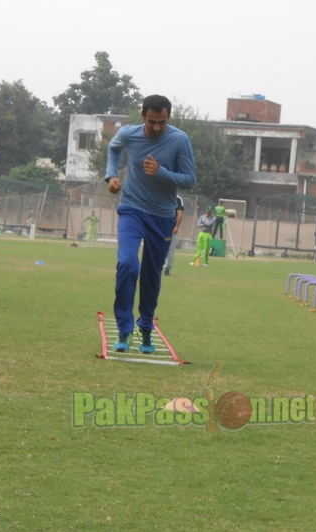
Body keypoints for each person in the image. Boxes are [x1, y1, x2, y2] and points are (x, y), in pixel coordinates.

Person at [105, 94, 197, 353]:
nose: (157, 127)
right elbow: (113, 148)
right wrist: (111, 176)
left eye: (162, 122)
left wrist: (162, 172)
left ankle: (145, 327)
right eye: (152, 121)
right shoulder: (128, 134)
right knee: (126, 263)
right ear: (143, 115)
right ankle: (124, 329)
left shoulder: (179, 140)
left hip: (163, 216)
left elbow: (190, 179)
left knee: (150, 275)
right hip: (132, 208)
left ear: (168, 118)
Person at [163, 195, 184, 276]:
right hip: (160, 226)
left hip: (171, 227)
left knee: (170, 248)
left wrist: (177, 227)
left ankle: (167, 268)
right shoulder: (162, 195)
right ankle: (157, 266)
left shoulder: (178, 199)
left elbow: (180, 214)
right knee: (158, 247)